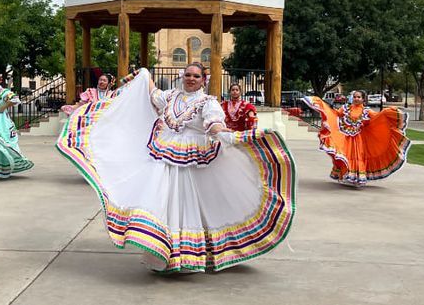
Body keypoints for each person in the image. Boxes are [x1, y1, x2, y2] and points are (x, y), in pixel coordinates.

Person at [57, 63, 296, 273]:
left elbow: (213, 125)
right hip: (164, 152)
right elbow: (152, 94)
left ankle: (198, 253)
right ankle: (161, 252)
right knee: (164, 202)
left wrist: (229, 135)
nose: (191, 79)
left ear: (204, 80)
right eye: (188, 75)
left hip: (194, 155)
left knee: (192, 205)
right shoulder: (171, 96)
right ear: (183, 76)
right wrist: (144, 74)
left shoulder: (208, 102)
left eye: (196, 76)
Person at [302, 90, 411, 187]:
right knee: (347, 155)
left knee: (357, 155)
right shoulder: (345, 108)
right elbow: (335, 114)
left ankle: (357, 177)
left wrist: (385, 113)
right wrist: (323, 107)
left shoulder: (366, 111)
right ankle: (347, 175)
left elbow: (376, 118)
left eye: (359, 97)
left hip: (358, 138)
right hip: (346, 137)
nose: (356, 99)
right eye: (354, 97)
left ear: (363, 99)